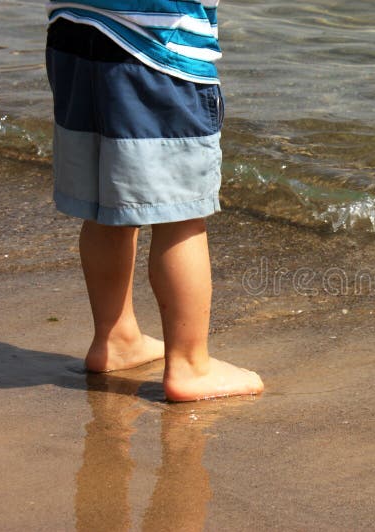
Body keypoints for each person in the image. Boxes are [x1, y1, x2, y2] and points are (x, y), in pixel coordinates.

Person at [45, 1, 264, 401]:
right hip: (154, 49)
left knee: (106, 202)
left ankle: (116, 338)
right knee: (180, 215)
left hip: (73, 30)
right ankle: (190, 366)